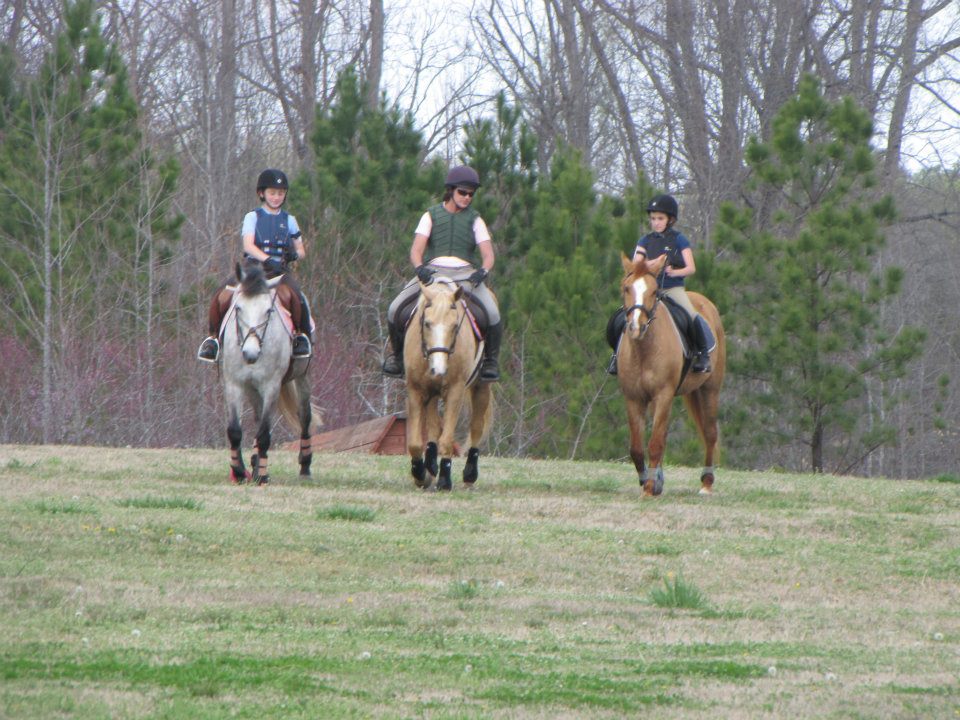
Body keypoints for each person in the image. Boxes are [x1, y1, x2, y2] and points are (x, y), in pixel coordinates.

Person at [382, 165, 503, 381]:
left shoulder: (476, 220)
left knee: (493, 314)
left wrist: (483, 271)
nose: (467, 198)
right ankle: (397, 358)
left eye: (471, 194)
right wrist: (420, 268)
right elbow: (416, 251)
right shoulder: (430, 215)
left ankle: (490, 362)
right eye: (462, 192)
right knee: (393, 309)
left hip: (465, 276)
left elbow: (488, 256)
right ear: (451, 190)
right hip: (433, 274)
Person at [197, 168, 314, 362]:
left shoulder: (290, 220)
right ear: (262, 193)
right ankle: (213, 339)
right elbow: (248, 245)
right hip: (254, 269)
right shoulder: (252, 217)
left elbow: (301, 250)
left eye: (281, 193)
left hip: (280, 272)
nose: (277, 197)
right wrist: (267, 260)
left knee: (297, 296)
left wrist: (294, 255)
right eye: (272, 193)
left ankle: (301, 337)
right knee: (222, 294)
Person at [607, 193, 711, 375]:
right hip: (648, 289)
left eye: (660, 218)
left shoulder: (679, 240)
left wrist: (674, 271)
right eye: (653, 218)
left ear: (670, 220)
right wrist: (653, 264)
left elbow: (691, 268)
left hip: (672, 288)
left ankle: (703, 356)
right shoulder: (645, 241)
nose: (656, 222)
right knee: (621, 317)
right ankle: (616, 356)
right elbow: (635, 264)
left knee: (691, 314)